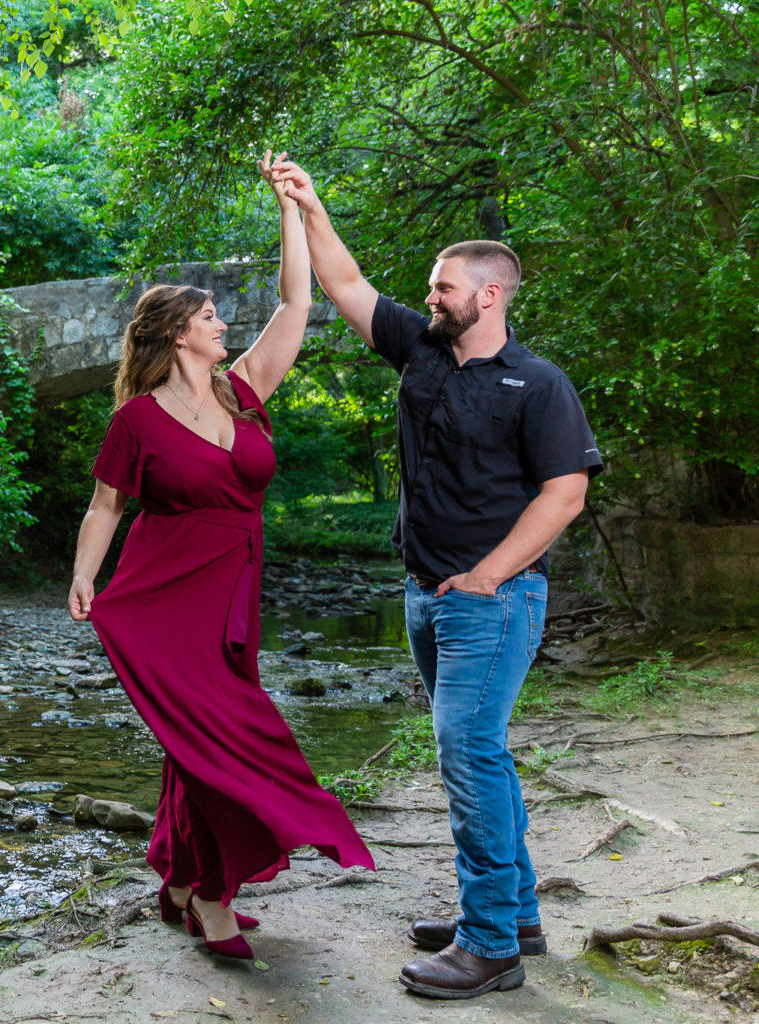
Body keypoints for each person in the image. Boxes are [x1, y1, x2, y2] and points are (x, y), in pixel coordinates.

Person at [269, 157, 603, 999]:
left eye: (445, 286)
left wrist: (488, 575)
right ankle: (516, 911)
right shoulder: (419, 352)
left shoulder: (540, 384)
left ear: (489, 295)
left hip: (493, 600)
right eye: (430, 286)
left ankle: (490, 944)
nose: (432, 297)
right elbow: (341, 281)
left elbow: (566, 494)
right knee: (480, 751)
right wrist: (308, 203)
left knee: (466, 751)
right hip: (425, 592)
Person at [68, 152, 376, 961]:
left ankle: (178, 877)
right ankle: (211, 896)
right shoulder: (136, 421)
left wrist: (292, 207)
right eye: (209, 319)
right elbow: (106, 506)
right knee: (220, 737)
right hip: (161, 595)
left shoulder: (245, 391)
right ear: (177, 333)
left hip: (234, 592)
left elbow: (298, 300)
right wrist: (83, 576)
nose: (221, 327)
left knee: (198, 742)